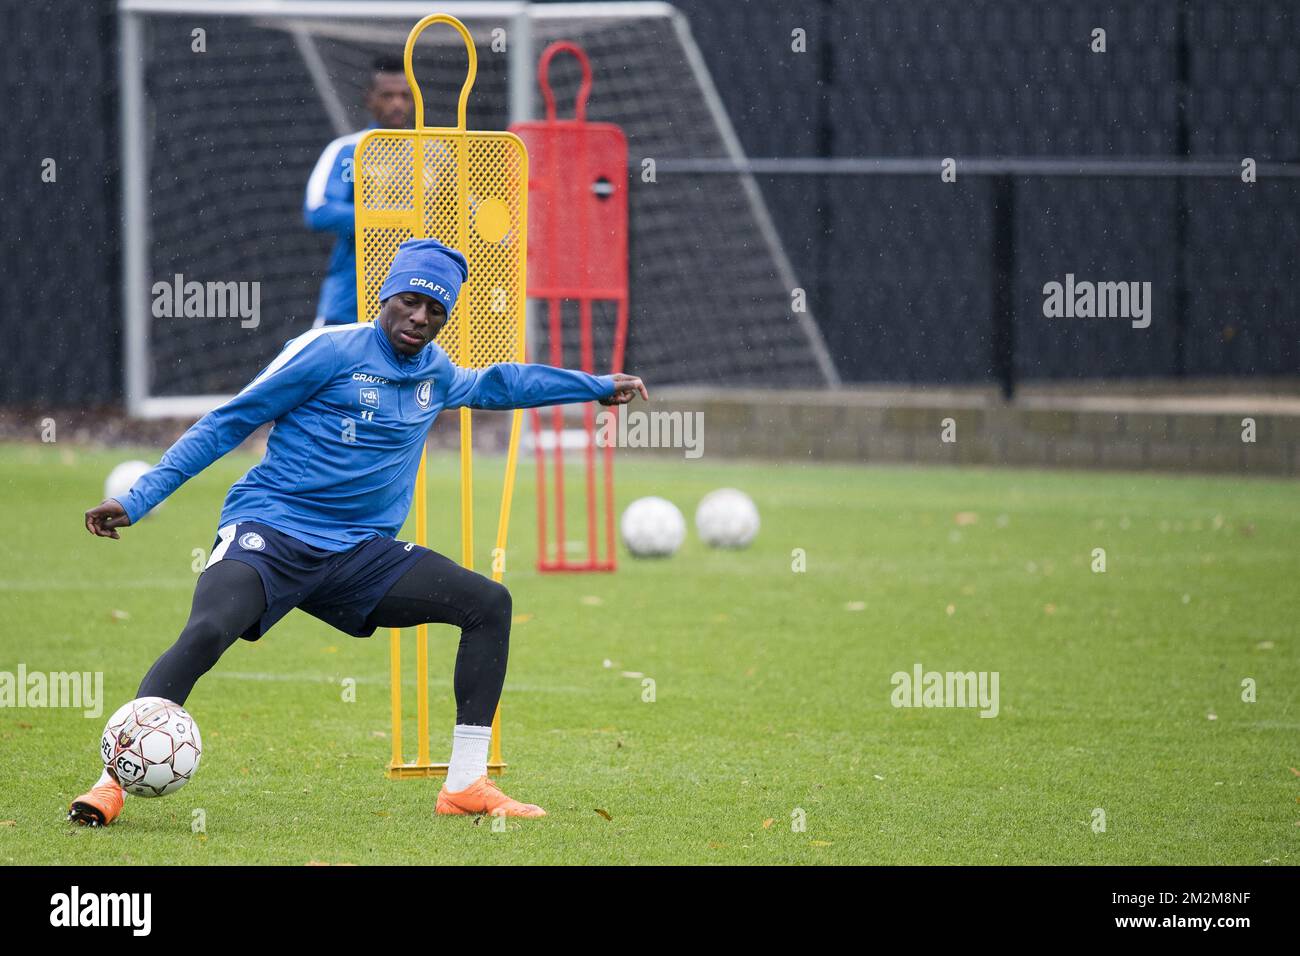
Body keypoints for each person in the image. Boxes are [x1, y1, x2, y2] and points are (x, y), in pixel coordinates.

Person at [71, 238, 648, 826]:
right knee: (206, 632)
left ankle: (465, 784)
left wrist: (595, 385)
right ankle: (109, 784)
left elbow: (501, 384)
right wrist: (139, 497)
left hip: (357, 556)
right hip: (271, 534)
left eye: (436, 310)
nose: (420, 318)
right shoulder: (325, 351)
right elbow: (229, 421)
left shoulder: (436, 374)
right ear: (385, 294)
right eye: (410, 301)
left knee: (488, 603)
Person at [305, 55, 413, 328]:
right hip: (350, 300)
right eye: (387, 96)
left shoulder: (434, 156)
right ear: (369, 98)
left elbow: (462, 213)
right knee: (319, 370)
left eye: (404, 96)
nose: (397, 103)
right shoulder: (348, 151)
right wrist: (388, 220)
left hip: (413, 303)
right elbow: (318, 211)